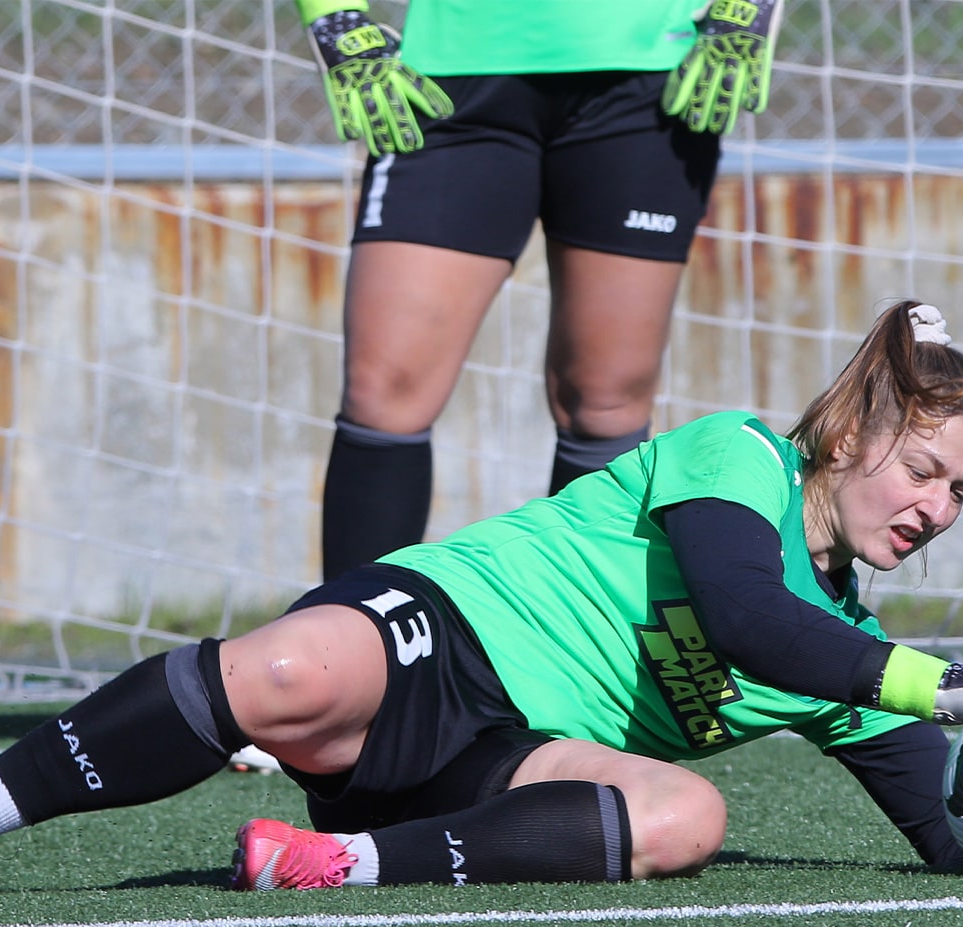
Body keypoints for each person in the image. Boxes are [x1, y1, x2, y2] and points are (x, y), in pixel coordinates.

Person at [0, 300, 963, 896]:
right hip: (443, 636)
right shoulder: (738, 454)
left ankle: (336, 862)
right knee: (283, 678)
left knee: (685, 814)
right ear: (853, 431)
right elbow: (741, 609)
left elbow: (950, 831)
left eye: (962, 494)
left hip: (507, 758)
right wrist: (932, 683)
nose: (934, 508)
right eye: (924, 469)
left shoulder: (849, 656)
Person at [299, 0, 786, 580]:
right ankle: (343, 655)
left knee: (605, 400)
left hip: (647, 83)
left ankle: (572, 660)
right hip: (446, 81)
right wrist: (336, 17)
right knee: (383, 393)